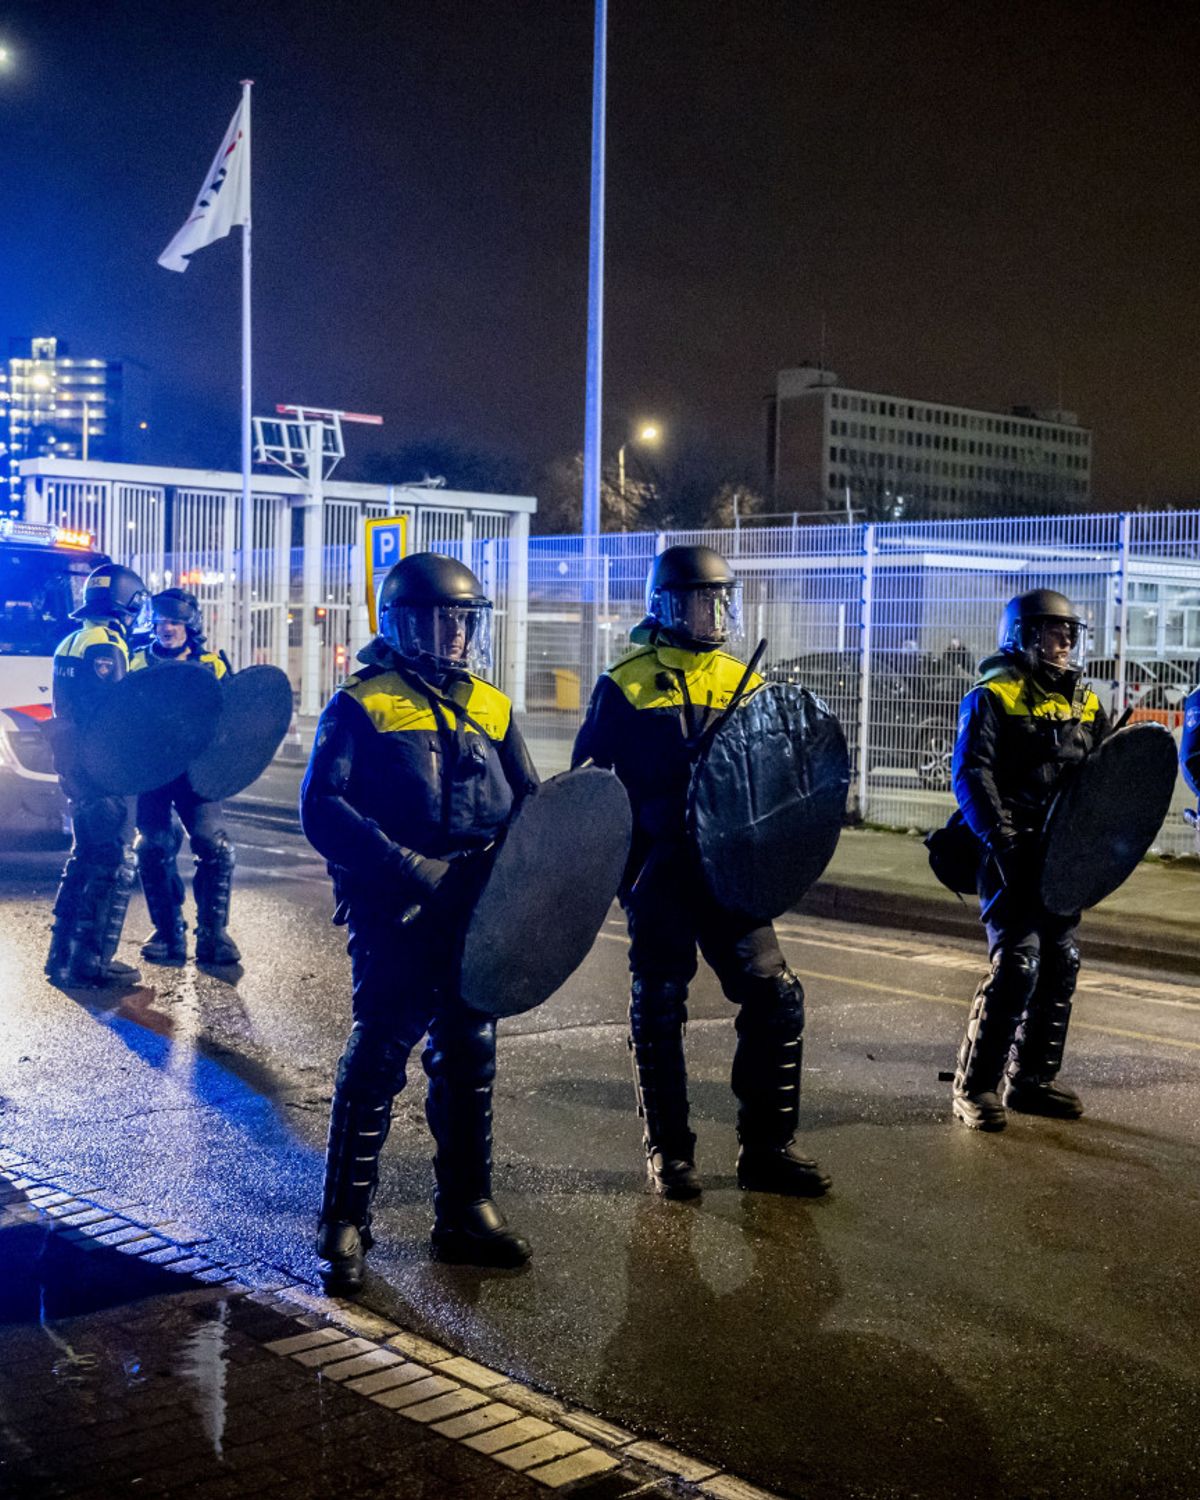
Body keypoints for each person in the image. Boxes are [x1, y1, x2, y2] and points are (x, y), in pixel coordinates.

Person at [300, 552, 539, 1293]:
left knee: (470, 1057)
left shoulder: (492, 706)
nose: (455, 635)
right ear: (401, 624)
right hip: (395, 907)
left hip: (472, 910)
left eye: (465, 621)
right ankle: (344, 1219)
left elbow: (532, 805)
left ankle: (465, 1209)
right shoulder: (360, 703)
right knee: (378, 1055)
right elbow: (322, 807)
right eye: (440, 620)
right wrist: (409, 870)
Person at [572, 544, 830, 1201]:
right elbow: (589, 790)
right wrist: (628, 872)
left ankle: (768, 1149)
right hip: (661, 873)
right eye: (697, 600)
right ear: (665, 604)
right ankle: (671, 1154)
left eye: (720, 600)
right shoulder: (626, 681)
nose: (711, 612)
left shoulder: (744, 680)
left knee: (776, 995)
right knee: (660, 1007)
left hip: (732, 872)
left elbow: (772, 778)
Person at [950, 588, 1109, 1130]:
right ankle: (975, 1087)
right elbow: (972, 774)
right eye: (1052, 632)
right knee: (1018, 964)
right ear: (1022, 636)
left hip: (1060, 861)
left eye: (1069, 634)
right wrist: (1005, 842)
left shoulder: (1086, 703)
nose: (1064, 642)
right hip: (1009, 853)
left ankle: (1032, 1080)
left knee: (1061, 961)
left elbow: (1103, 785)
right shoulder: (992, 694)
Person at [45, 563, 149, 987]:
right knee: (111, 862)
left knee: (84, 857)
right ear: (129, 604)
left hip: (74, 766)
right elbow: (116, 717)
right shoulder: (107, 645)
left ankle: (61, 955)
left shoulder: (71, 640)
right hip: (104, 770)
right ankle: (92, 963)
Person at [129, 588, 240, 966]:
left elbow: (230, 719)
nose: (167, 629)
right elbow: (119, 719)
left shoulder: (212, 665)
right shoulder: (137, 662)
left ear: (188, 625)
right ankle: (167, 931)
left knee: (214, 845)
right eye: (161, 622)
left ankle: (214, 934)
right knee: (153, 846)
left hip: (197, 772)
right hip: (153, 771)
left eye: (175, 622)